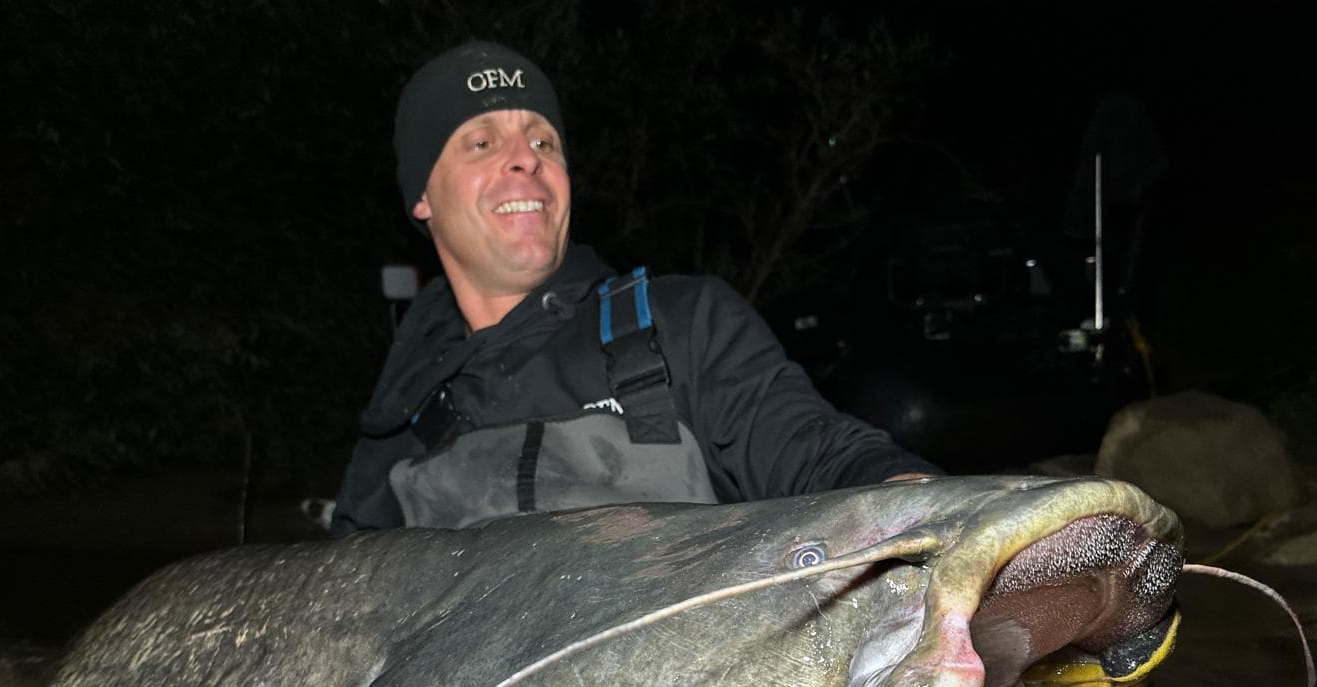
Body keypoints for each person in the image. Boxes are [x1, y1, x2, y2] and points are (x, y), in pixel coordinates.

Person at [331, 40, 939, 534]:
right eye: (482, 142)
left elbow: (818, 452)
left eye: (544, 141)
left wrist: (931, 516)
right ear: (422, 199)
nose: (527, 159)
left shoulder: (679, 323)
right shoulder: (403, 408)